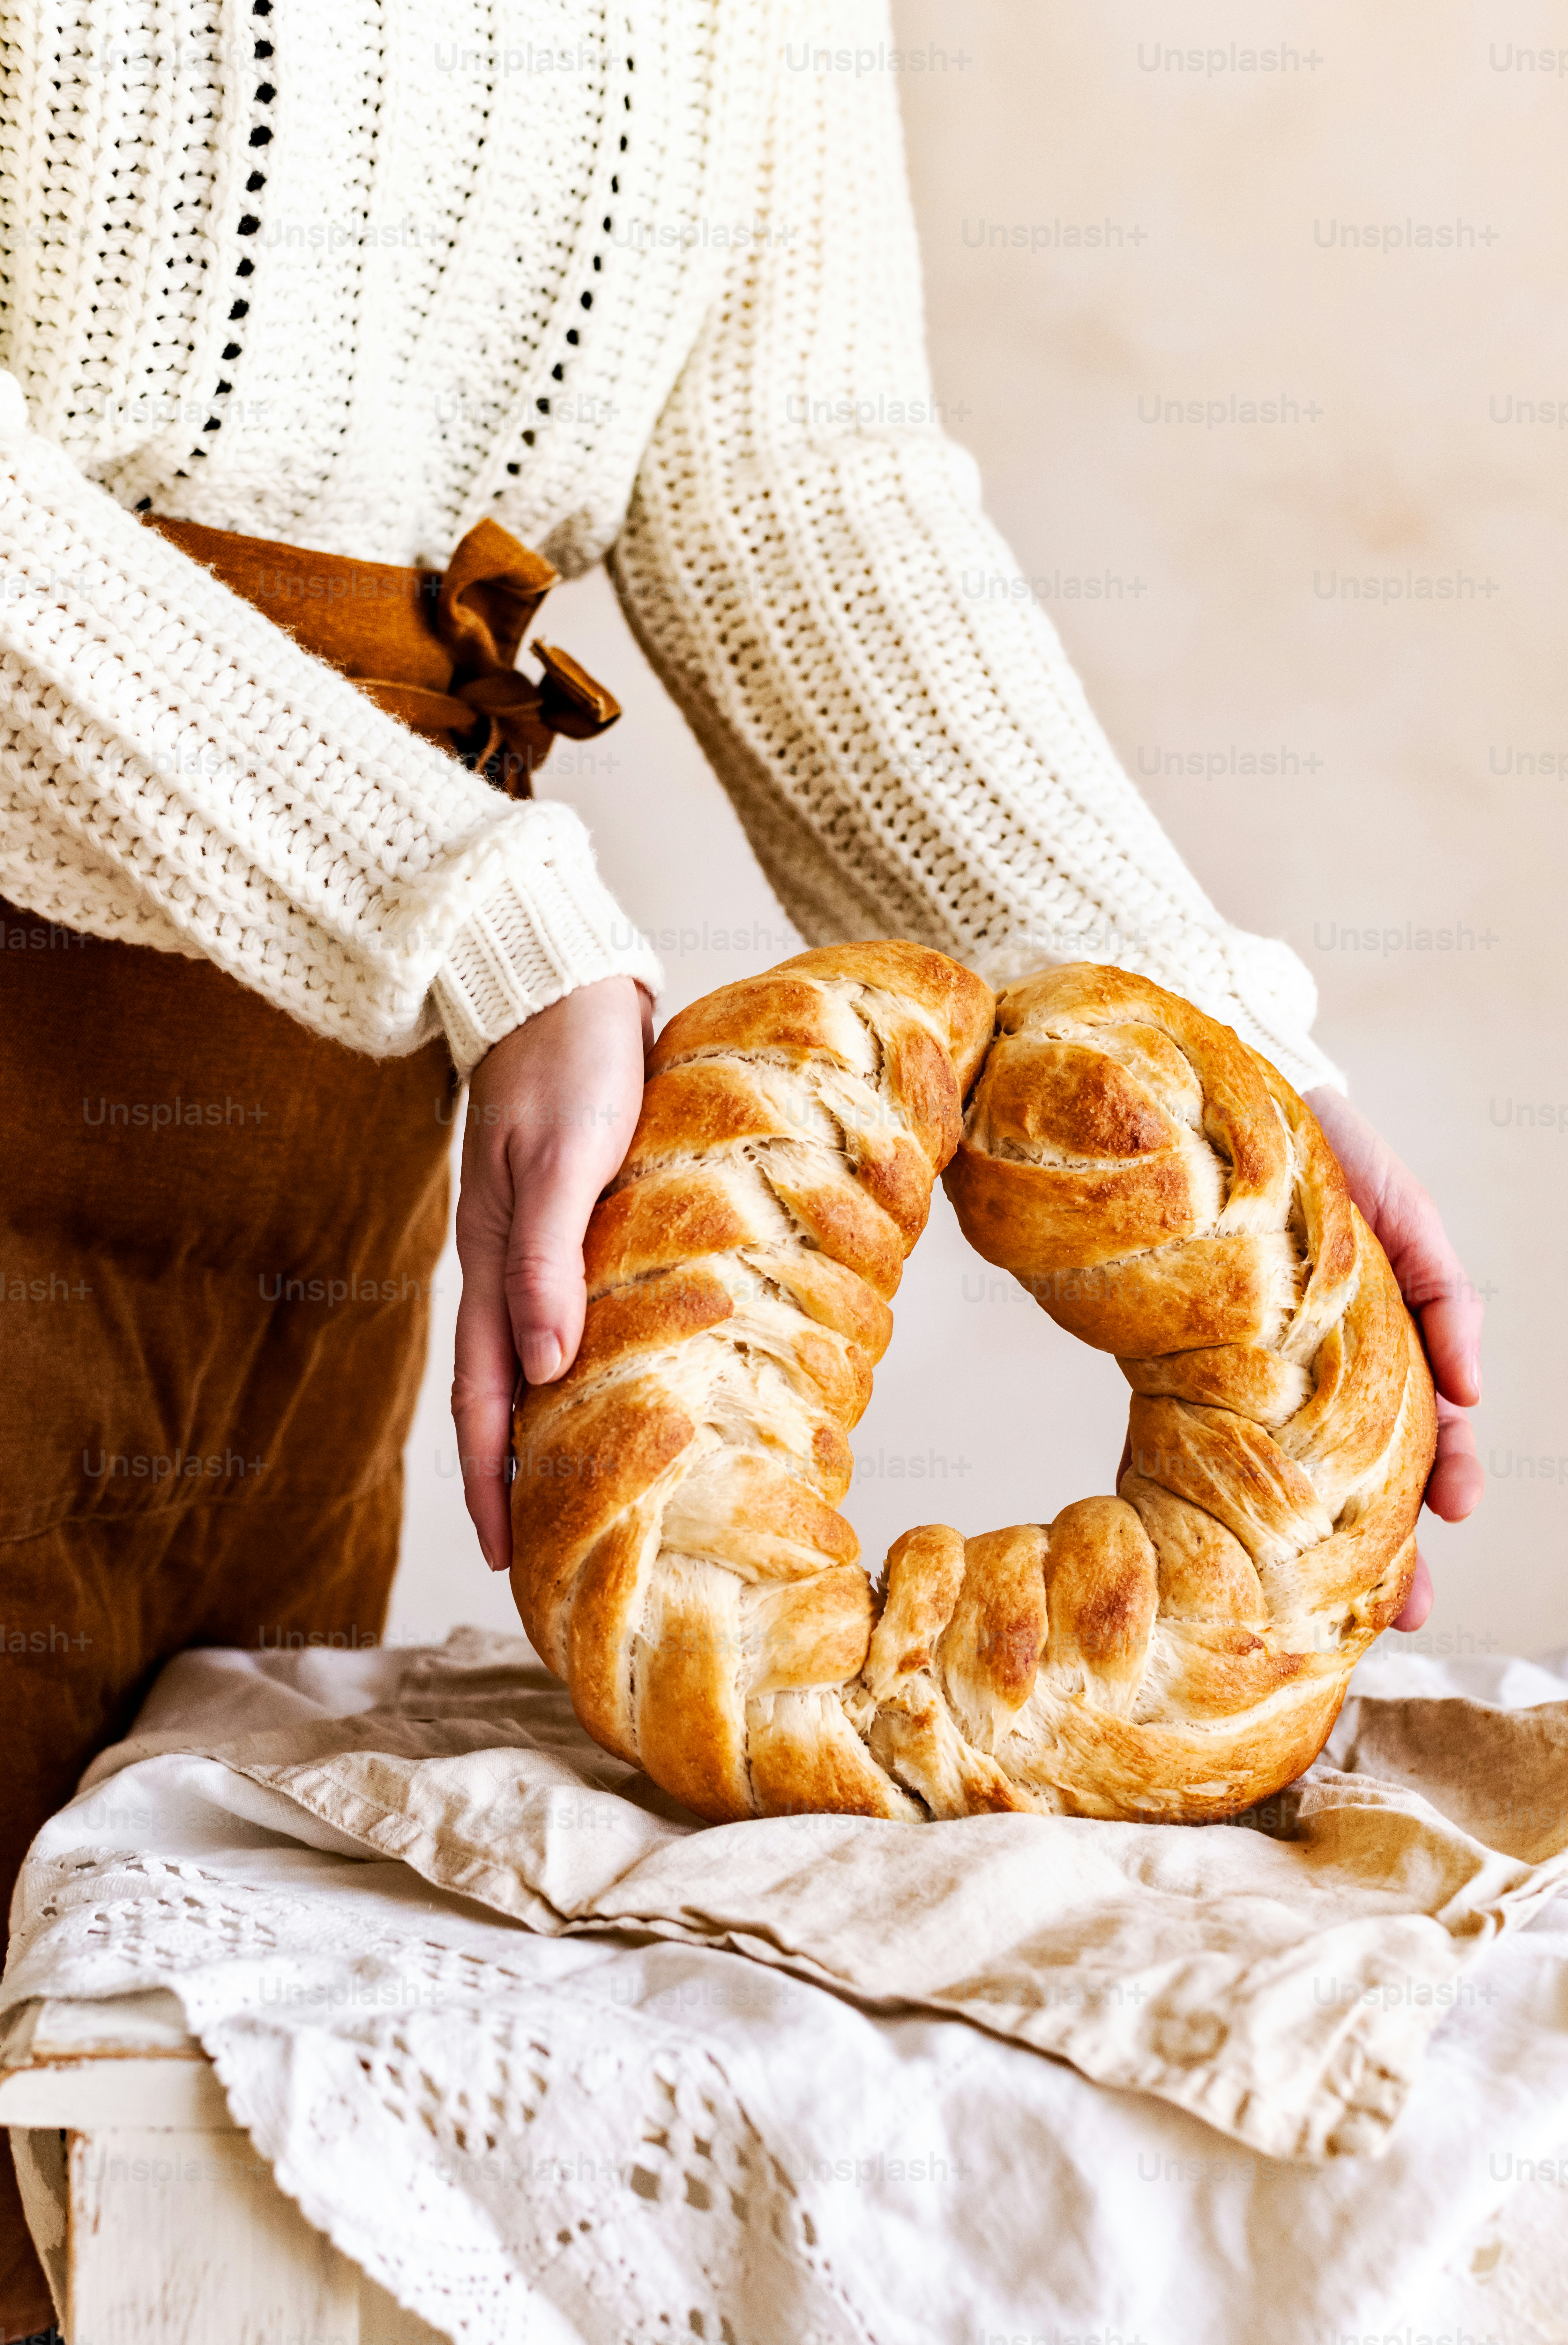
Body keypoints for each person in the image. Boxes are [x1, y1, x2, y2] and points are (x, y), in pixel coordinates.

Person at [0, 4, 1481, 2331]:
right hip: (239, 956)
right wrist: (472, 910)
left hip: (296, 1153)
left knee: (112, 2144)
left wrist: (1203, 1038)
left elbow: (792, 467)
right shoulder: (446, 922)